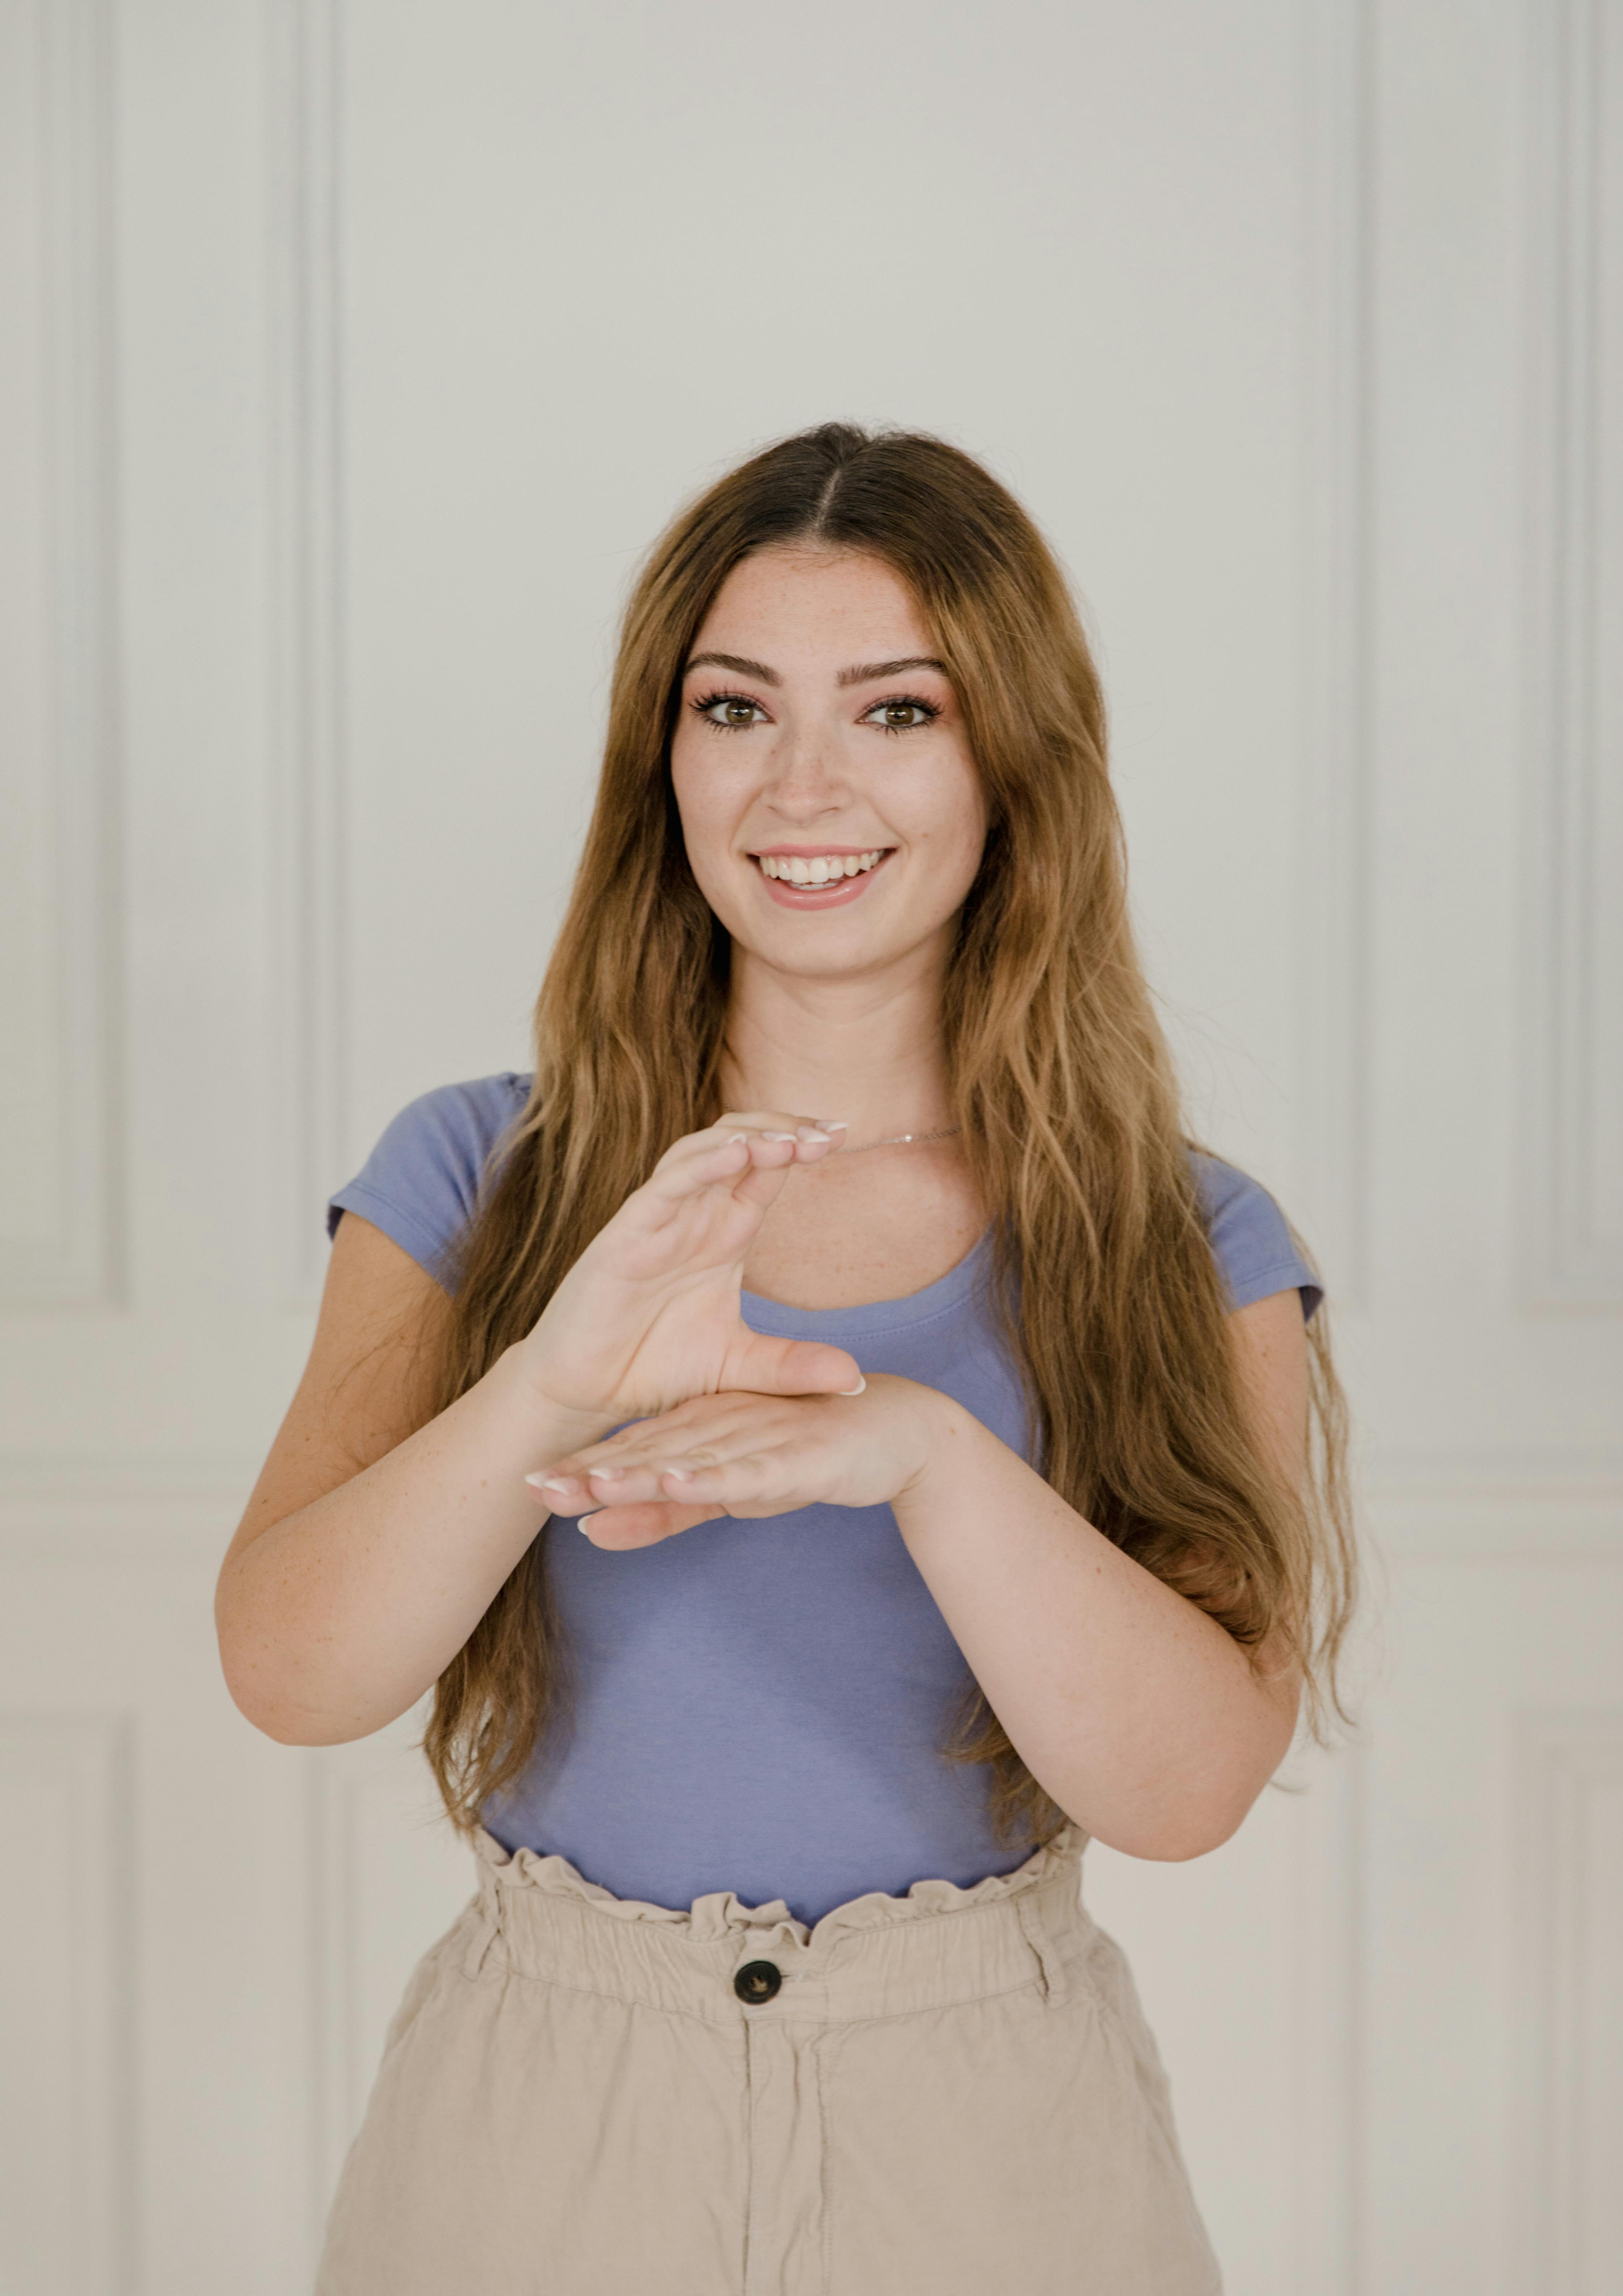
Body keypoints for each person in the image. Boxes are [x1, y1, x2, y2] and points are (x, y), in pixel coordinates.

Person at [216, 422, 1355, 2295]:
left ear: (1013, 761)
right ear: (662, 760)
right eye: (735, 710)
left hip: (994, 2129)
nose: (802, 785)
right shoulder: (470, 1172)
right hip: (540, 2112)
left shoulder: (1187, 1237)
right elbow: (291, 1674)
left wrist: (922, 1452)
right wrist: (557, 1381)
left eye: (897, 712)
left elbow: (1188, 1792)